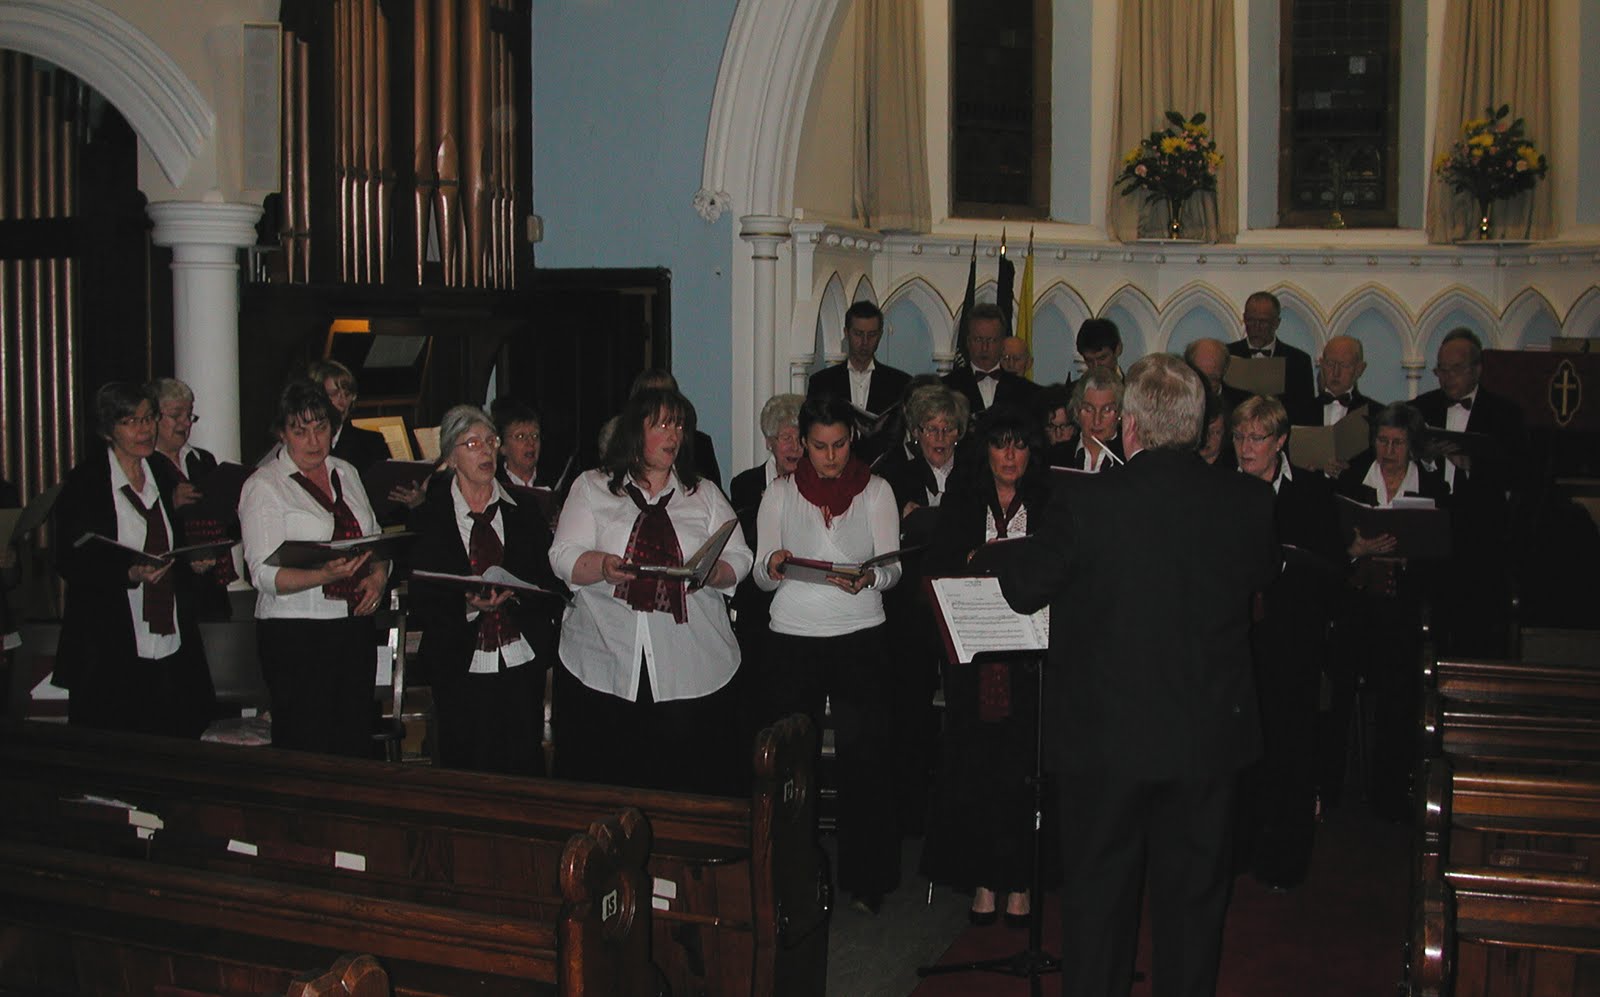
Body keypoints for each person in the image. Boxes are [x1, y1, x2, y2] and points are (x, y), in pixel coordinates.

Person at [995, 354, 1278, 997]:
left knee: (1098, 905)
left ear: (1128, 427)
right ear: (1201, 424)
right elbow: (1259, 577)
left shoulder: (1084, 500)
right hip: (1206, 735)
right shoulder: (1248, 501)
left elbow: (1023, 587)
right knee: (1195, 906)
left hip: (1106, 738)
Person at [549, 387, 751, 794]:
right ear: (634, 433)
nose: (672, 434)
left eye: (677, 425)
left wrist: (712, 574)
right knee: (614, 779)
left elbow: (741, 555)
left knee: (684, 780)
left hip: (691, 664)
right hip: (606, 659)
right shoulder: (593, 487)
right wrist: (604, 567)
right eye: (660, 424)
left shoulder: (704, 494)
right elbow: (563, 554)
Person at [754, 394, 903, 915]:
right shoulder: (778, 493)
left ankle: (867, 880)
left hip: (861, 632)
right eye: (819, 447)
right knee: (793, 764)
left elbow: (892, 568)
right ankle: (790, 878)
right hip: (792, 636)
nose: (831, 456)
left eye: (839, 444)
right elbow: (760, 575)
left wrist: (870, 576)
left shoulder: (877, 490)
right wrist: (773, 564)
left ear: (851, 441)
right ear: (804, 444)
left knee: (866, 757)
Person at [920, 405, 1051, 928]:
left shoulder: (1048, 500)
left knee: (1022, 768)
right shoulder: (962, 498)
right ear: (987, 451)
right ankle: (982, 878)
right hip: (974, 658)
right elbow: (936, 569)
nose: (1010, 455)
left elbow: (1064, 566)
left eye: (1020, 444)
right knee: (975, 766)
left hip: (1029, 659)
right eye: (1001, 444)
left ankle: (1019, 880)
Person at [406, 405, 566, 776]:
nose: (484, 452)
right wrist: (467, 606)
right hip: (459, 657)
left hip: (520, 653)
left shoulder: (524, 509)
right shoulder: (429, 516)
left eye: (490, 442)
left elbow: (546, 580)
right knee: (466, 764)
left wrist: (517, 594)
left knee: (522, 761)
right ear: (450, 457)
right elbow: (423, 595)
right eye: (472, 443)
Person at [52, 382, 218, 738]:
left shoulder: (159, 470)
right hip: (110, 642)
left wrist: (192, 563)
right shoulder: (88, 481)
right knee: (117, 751)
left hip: (170, 636)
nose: (144, 430)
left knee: (175, 743)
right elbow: (69, 559)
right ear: (107, 429)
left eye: (148, 419)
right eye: (131, 421)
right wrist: (126, 571)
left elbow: (172, 539)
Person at [240, 378, 389, 756]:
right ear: (282, 433)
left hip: (352, 625)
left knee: (353, 738)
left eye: (321, 428)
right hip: (296, 635)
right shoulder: (265, 485)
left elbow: (374, 542)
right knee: (307, 742)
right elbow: (263, 575)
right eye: (300, 430)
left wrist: (378, 577)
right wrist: (322, 575)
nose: (313, 441)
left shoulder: (346, 472)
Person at [1230, 396, 1341, 889]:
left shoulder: (1310, 493)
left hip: (1290, 638)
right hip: (1233, 638)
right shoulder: (1219, 487)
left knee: (1289, 749)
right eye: (1239, 436)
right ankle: (1236, 850)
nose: (1245, 447)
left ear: (1280, 442)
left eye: (1256, 438)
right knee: (1236, 753)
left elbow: (1332, 565)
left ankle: (1283, 858)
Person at [1327, 403, 1449, 820]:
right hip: (1356, 602)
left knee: (1399, 695)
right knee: (1339, 682)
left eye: (1398, 442)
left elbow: (1445, 556)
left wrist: (1410, 557)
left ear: (1412, 445)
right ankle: (1332, 789)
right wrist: (1357, 551)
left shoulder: (1431, 484)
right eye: (1382, 440)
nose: (1388, 450)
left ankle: (1390, 796)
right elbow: (1332, 546)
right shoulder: (1352, 476)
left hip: (1403, 605)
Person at [1411, 327, 1524, 657]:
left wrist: (1471, 465)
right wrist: (1427, 459)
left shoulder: (1504, 414)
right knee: (1426, 634)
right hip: (1429, 536)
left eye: (1455, 369)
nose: (1446, 378)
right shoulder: (1421, 409)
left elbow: (1518, 474)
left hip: (1479, 540)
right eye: (1441, 370)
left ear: (1477, 370)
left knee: (1475, 635)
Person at [149, 376, 235, 621]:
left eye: (190, 416)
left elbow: (225, 516)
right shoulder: (145, 465)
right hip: (168, 584)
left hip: (211, 581)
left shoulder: (202, 460)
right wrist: (171, 503)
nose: (185, 423)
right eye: (176, 415)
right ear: (153, 417)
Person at [597, 369, 723, 488]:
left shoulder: (699, 444)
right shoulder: (616, 438)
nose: (660, 403)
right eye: (651, 398)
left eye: (666, 395)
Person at [807, 300, 912, 417]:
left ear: (880, 335)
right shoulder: (822, 382)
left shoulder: (900, 383)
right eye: (858, 334)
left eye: (872, 335)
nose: (865, 342)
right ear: (846, 333)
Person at [1293, 335, 1381, 474]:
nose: (1336, 372)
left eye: (1345, 365)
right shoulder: (1298, 411)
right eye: (1330, 364)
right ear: (1321, 364)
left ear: (1360, 369)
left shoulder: (1376, 414)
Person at [884, 385, 969, 518]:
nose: (940, 437)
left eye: (948, 429)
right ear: (916, 432)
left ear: (959, 433)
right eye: (931, 429)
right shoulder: (898, 478)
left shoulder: (976, 474)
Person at [1229, 291, 1316, 418]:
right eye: (1251, 320)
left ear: (1277, 323)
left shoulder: (1298, 361)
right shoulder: (1227, 355)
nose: (1256, 327)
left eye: (1263, 321)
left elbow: (1304, 411)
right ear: (1244, 318)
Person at [944, 303, 1038, 415]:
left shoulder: (1028, 391)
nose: (985, 347)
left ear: (1002, 343)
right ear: (968, 342)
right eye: (978, 340)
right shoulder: (946, 388)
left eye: (992, 340)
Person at [308, 359, 392, 471]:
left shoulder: (371, 443)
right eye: (333, 394)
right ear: (317, 396)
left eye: (347, 394)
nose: (343, 402)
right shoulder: (305, 442)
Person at [1060, 370, 1124, 473]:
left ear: (1120, 412)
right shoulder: (1055, 457)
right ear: (1077, 410)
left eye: (1107, 410)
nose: (1097, 421)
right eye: (1089, 409)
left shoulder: (1132, 460)